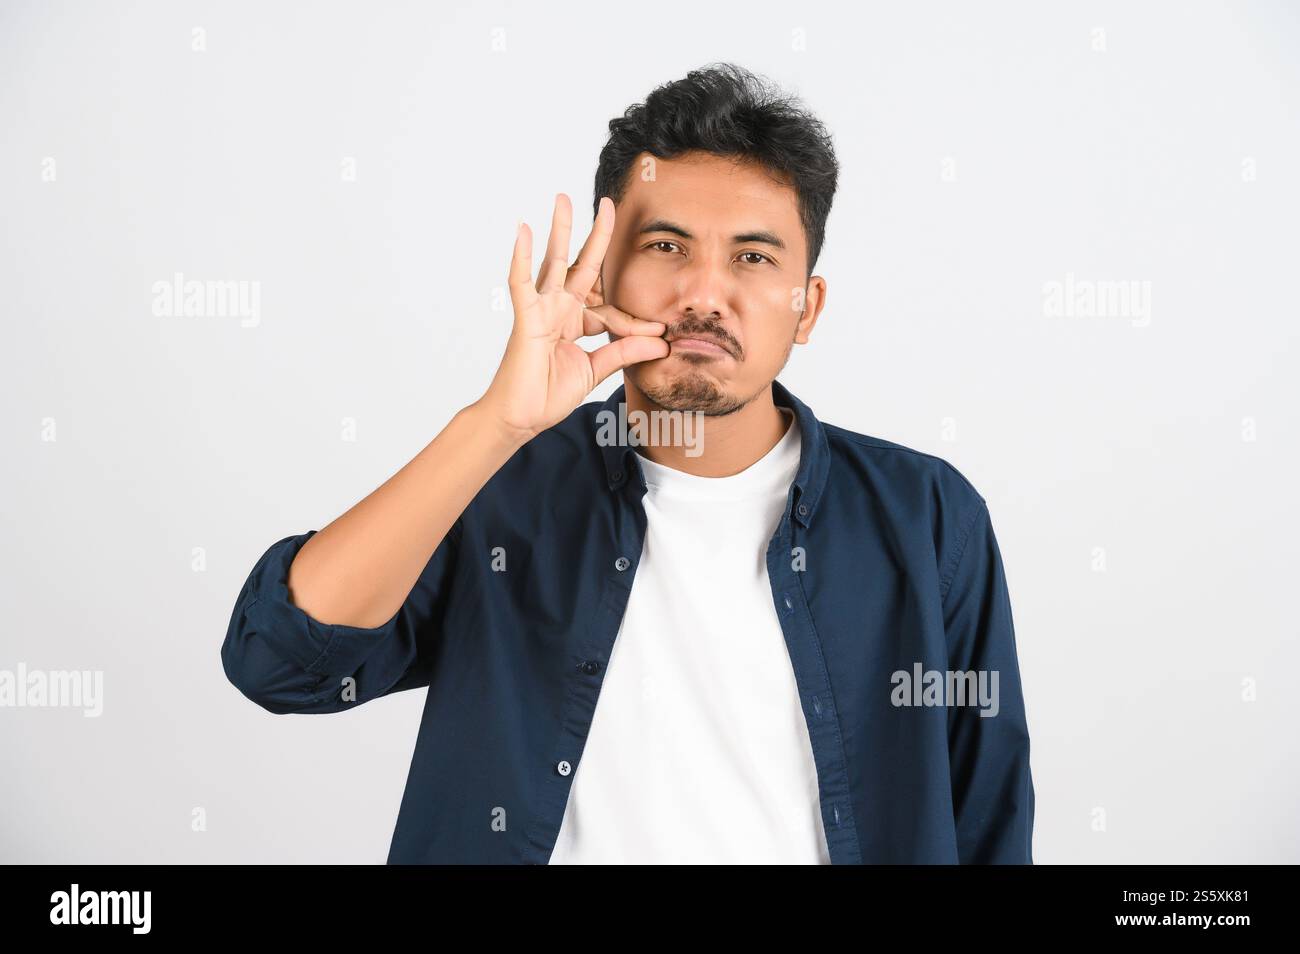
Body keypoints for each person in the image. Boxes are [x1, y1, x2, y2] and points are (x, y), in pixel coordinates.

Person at [221, 62, 1034, 864]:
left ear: (806, 307)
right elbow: (281, 666)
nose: (705, 294)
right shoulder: (504, 488)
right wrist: (497, 423)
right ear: (601, 276)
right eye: (667, 245)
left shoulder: (927, 517)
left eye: (753, 258)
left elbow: (988, 816)